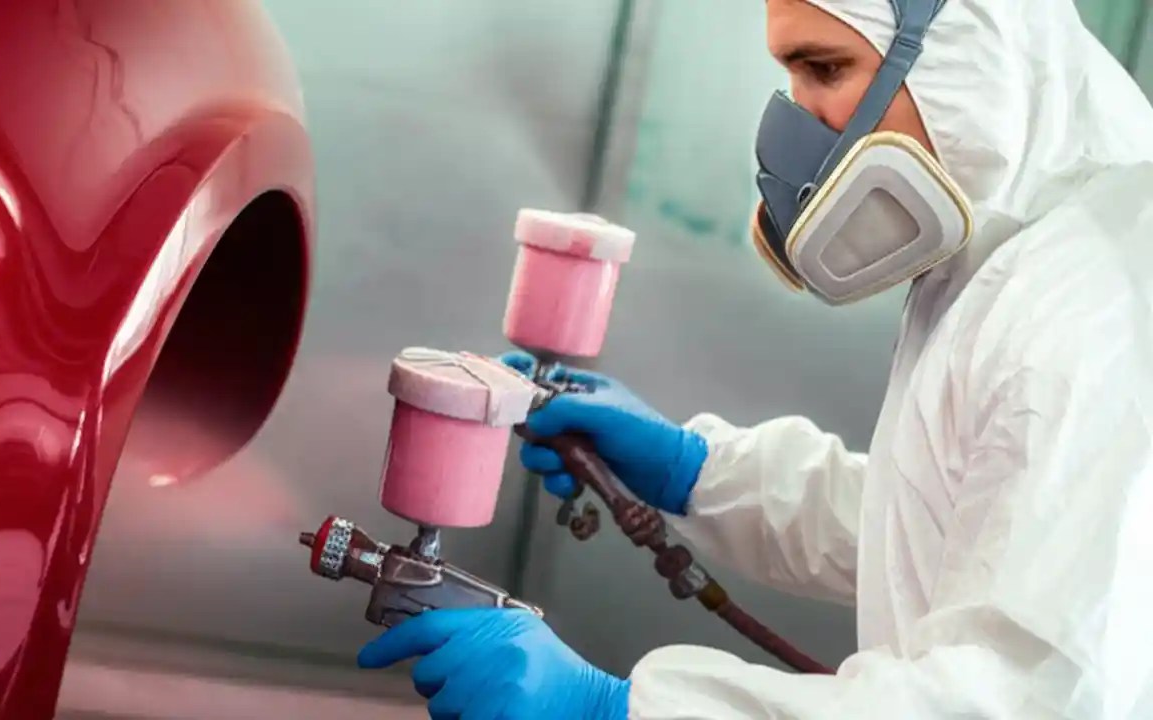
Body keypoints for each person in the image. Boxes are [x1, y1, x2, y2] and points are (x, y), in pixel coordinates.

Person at [357, 0, 1153, 717]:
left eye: (824, 69)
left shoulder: (1096, 303)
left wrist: (618, 711)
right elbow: (943, 520)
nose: (793, 125)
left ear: (966, 55)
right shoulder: (1009, 256)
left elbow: (1033, 700)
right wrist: (698, 472)